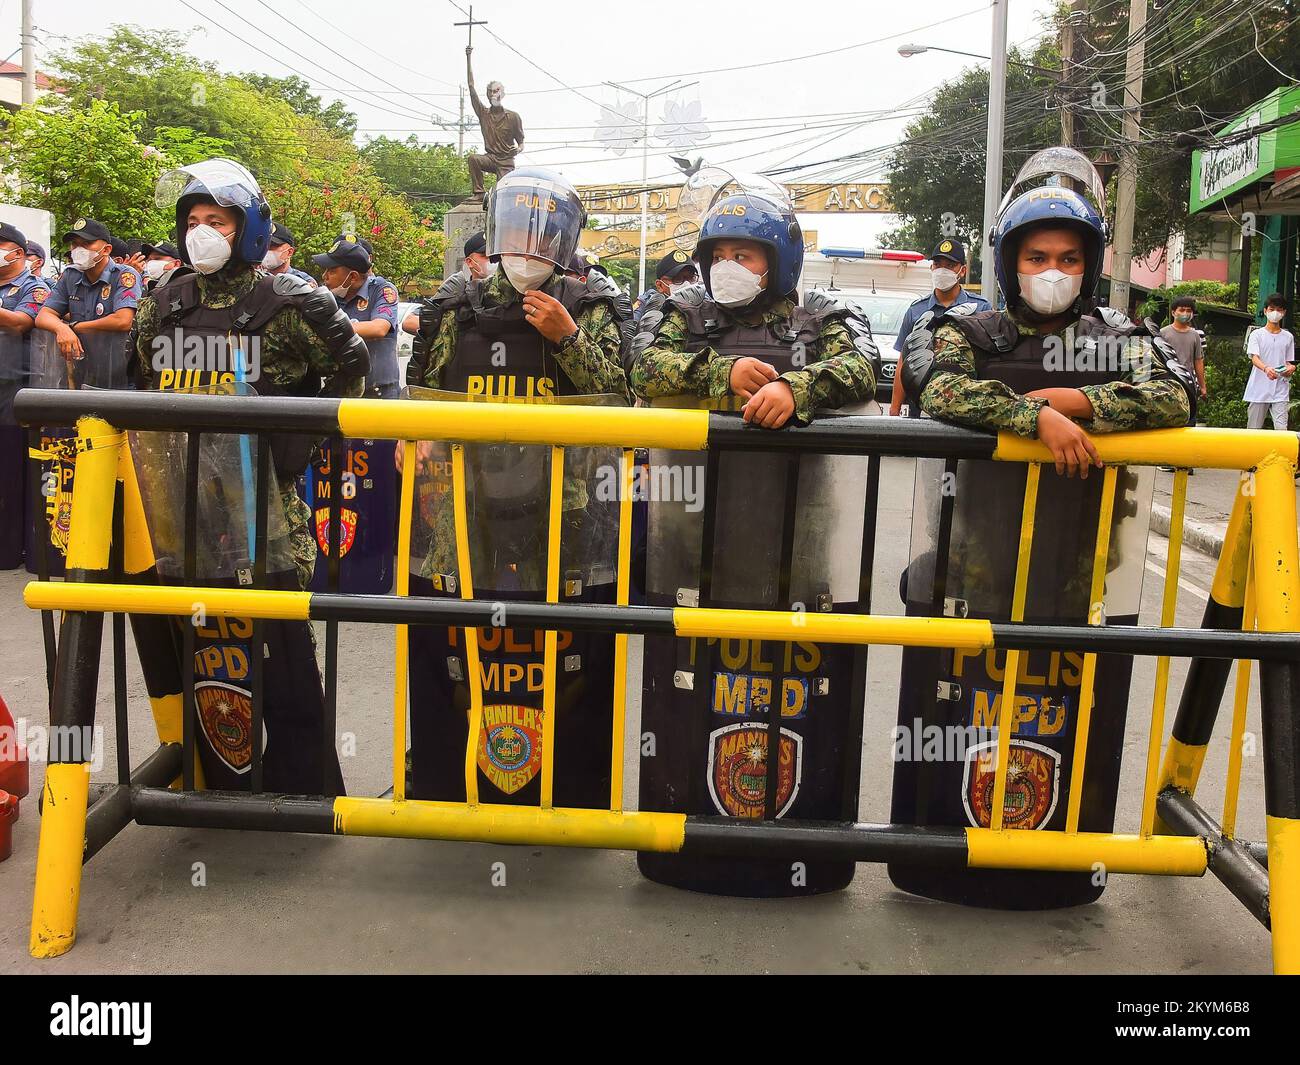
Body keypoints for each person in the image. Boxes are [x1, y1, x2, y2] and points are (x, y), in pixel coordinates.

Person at [893, 146, 1195, 910]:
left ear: (1089, 263)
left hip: (1079, 563)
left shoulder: (1118, 332)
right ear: (1009, 260)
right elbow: (938, 384)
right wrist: (1035, 417)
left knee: (1063, 707)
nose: (1052, 270)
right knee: (969, 705)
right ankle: (948, 855)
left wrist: (1083, 404)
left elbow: (1179, 394)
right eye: (1036, 255)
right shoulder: (965, 325)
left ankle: (1054, 860)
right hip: (976, 559)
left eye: (1067, 256)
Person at [630, 178, 879, 898]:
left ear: (781, 263)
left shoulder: (823, 316)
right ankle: (694, 836)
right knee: (697, 679)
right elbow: (640, 364)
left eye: (749, 254)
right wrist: (723, 374)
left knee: (792, 682)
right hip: (693, 540)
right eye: (721, 252)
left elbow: (865, 365)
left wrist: (797, 389)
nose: (730, 265)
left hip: (798, 545)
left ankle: (790, 843)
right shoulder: (680, 311)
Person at [133, 157, 370, 795]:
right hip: (186, 512)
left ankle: (302, 793)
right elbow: (140, 389)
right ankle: (220, 782)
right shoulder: (164, 304)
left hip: (267, 513)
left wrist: (294, 448)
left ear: (250, 227)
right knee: (205, 649)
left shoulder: (291, 301)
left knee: (282, 655)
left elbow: (352, 370)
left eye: (218, 221)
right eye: (194, 220)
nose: (202, 231)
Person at [403, 166, 628, 809]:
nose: (524, 247)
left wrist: (568, 338)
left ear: (562, 240)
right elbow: (418, 397)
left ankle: (568, 794)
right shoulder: (452, 306)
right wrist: (413, 439)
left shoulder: (594, 306)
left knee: (561, 656)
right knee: (459, 651)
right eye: (512, 232)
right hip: (463, 519)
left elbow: (625, 400)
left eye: (539, 235)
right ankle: (450, 781)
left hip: (567, 523)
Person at [34, 217, 141, 389]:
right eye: (75, 244)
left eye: (86, 244)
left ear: (106, 249)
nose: (78, 249)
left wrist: (73, 327)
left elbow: (123, 320)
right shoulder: (70, 276)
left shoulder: (124, 275)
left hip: (117, 374)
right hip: (81, 371)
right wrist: (61, 328)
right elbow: (43, 316)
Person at [890, 238, 990, 416]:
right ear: (931, 268)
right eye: (937, 264)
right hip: (920, 408)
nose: (942, 270)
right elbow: (903, 362)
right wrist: (894, 409)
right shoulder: (916, 311)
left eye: (950, 265)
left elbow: (991, 362)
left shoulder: (980, 309)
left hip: (966, 408)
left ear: (962, 270)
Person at [0, 221, 51, 567]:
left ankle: (15, 549)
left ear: (17, 252)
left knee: (13, 472)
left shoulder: (34, 287)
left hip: (14, 391)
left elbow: (21, 322)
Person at [313, 237, 400, 399]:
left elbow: (379, 328)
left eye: (331, 270)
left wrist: (334, 328)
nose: (325, 276)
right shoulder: (330, 296)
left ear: (352, 277)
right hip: (340, 392)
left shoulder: (381, 290)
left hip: (379, 393)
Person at [465, 44, 524, 201]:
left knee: (504, 198)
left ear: (502, 94)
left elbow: (521, 142)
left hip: (506, 162)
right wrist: (468, 58)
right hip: (490, 158)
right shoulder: (484, 114)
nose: (493, 94)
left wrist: (518, 149)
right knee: (473, 159)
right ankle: (478, 194)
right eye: (490, 91)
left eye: (496, 91)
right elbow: (471, 87)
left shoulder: (513, 117)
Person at [1242, 293, 1294, 431]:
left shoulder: (1288, 337)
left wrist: (1290, 368)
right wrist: (1266, 369)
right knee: (1254, 428)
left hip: (1280, 387)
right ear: (1265, 311)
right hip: (1259, 387)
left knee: (1281, 428)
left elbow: (1288, 361)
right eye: (1272, 309)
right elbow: (1254, 358)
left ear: (1284, 312)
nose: (1275, 313)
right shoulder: (1257, 335)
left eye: (1279, 309)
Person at [632, 250, 698, 325]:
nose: (687, 284)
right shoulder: (646, 307)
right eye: (677, 279)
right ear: (659, 285)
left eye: (691, 278)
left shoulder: (706, 306)